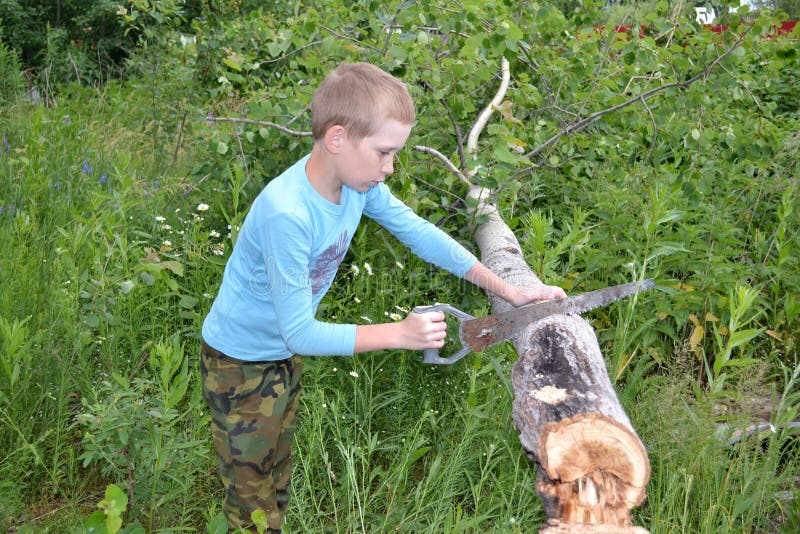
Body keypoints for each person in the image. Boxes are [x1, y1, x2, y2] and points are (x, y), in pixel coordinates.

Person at [200, 61, 566, 532]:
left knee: (276, 473)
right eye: (384, 153)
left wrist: (509, 290)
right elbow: (300, 332)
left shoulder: (355, 187)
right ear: (337, 139)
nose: (389, 168)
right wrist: (400, 334)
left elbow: (419, 232)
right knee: (250, 500)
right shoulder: (287, 214)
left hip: (281, 356)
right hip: (239, 363)